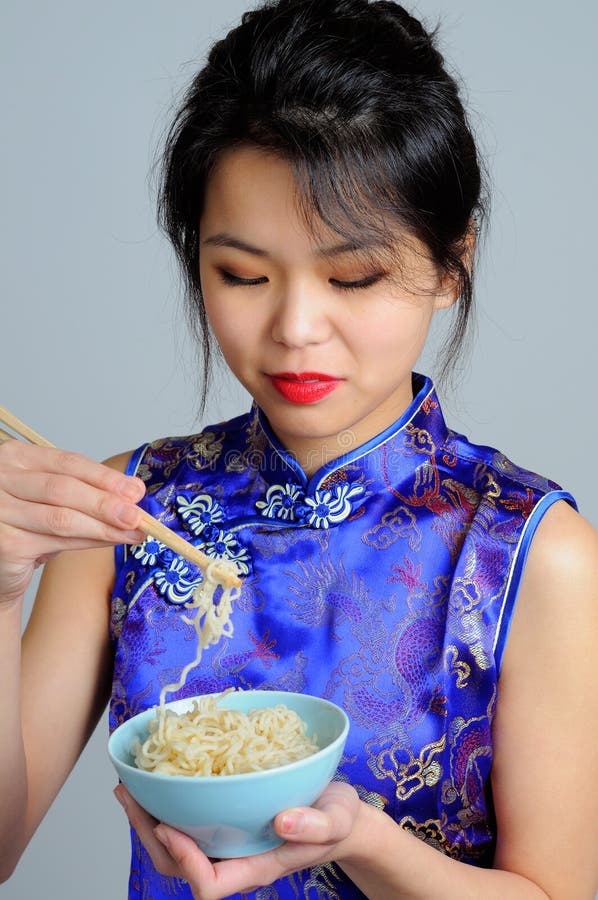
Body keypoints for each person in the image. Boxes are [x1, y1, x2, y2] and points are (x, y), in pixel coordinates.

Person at [1, 0, 597, 897]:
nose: (294, 329)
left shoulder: (526, 552)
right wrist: (1, 591)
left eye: (352, 277)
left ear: (449, 265)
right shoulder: (126, 509)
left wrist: (362, 841)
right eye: (242, 274)